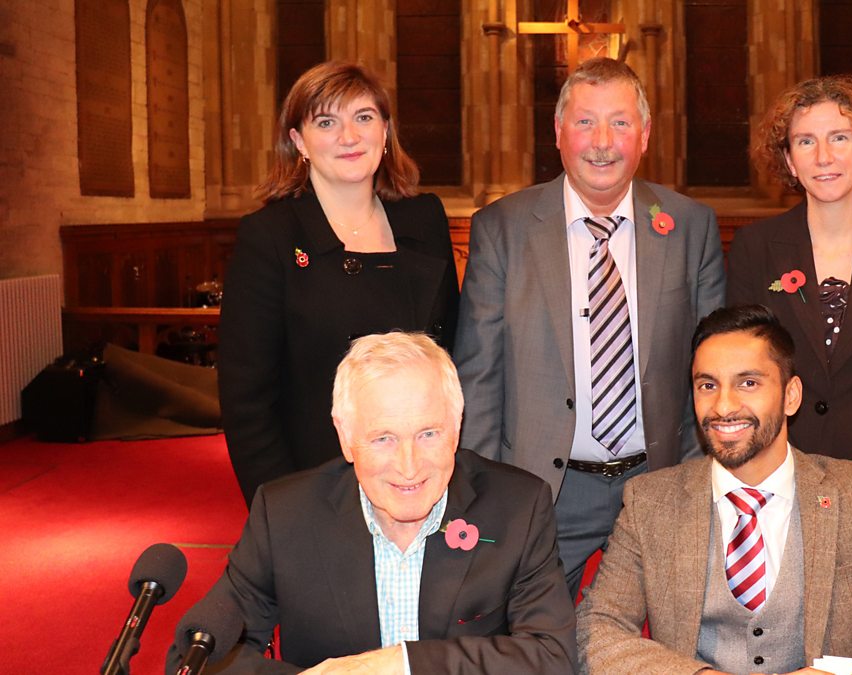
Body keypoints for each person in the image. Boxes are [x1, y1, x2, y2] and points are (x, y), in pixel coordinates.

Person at [576, 305, 852, 674]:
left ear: (791, 395)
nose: (724, 406)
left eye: (748, 383)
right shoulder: (651, 501)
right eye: (708, 385)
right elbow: (595, 630)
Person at [454, 57, 725, 598]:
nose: (602, 142)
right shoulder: (503, 229)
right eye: (584, 122)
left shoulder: (690, 226)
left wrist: (695, 483)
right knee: (544, 648)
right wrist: (487, 494)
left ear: (644, 135)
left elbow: (712, 371)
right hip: (545, 492)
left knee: (659, 644)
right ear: (558, 131)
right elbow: (479, 376)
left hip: (657, 483)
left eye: (620, 123)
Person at [168, 332, 576, 674]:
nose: (409, 465)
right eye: (384, 438)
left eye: (429, 434)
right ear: (345, 436)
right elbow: (198, 657)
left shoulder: (518, 508)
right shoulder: (286, 515)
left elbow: (552, 657)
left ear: (457, 427)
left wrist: (403, 664)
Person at [219, 61, 459, 506]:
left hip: (420, 478)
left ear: (385, 131)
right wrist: (282, 507)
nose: (349, 137)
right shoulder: (270, 236)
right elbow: (246, 399)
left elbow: (454, 353)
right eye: (327, 122)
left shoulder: (424, 219)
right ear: (298, 141)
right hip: (317, 483)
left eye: (364, 118)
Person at [727, 76, 852, 503]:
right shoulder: (756, 248)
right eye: (805, 142)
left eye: (839, 137)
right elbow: (744, 373)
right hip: (771, 471)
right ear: (788, 159)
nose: (823, 157)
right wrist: (763, 469)